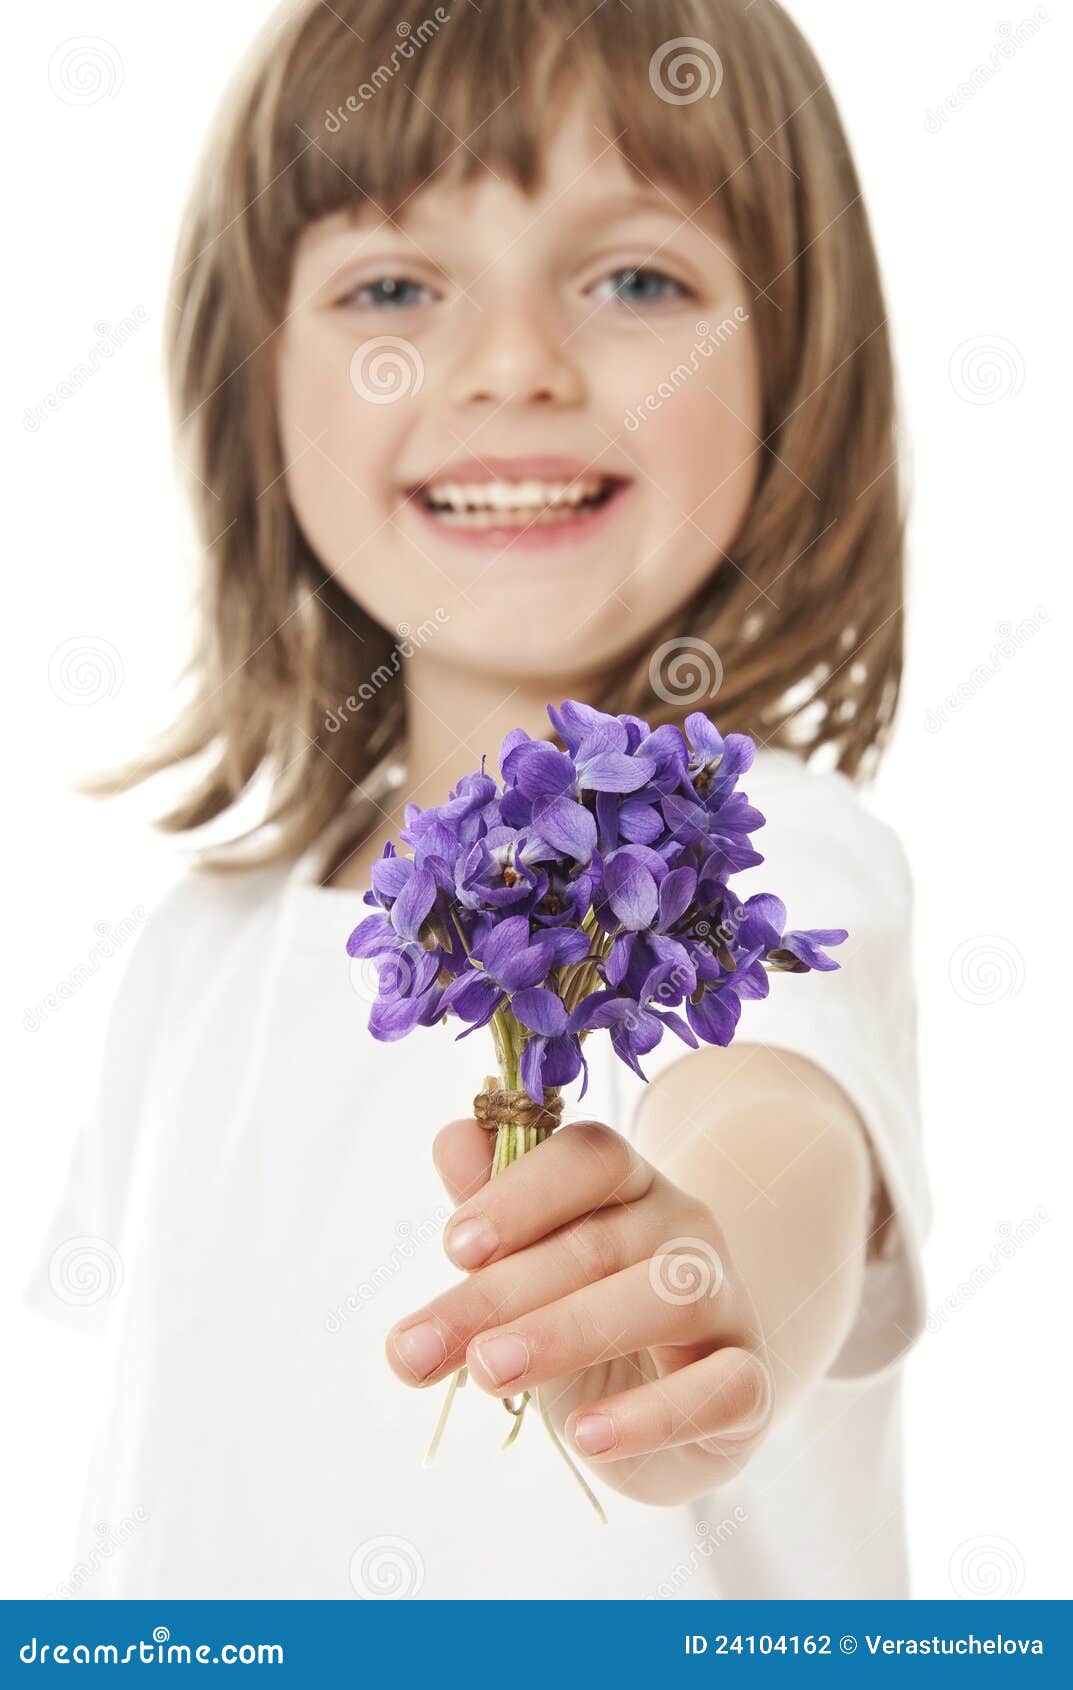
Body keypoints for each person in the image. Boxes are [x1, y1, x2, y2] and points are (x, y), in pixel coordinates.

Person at [25, 0, 931, 1600]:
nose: (513, 368)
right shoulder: (203, 940)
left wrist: (702, 1274)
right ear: (259, 392)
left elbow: (777, 1126)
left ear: (792, 361)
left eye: (635, 279)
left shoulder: (775, 836)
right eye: (392, 291)